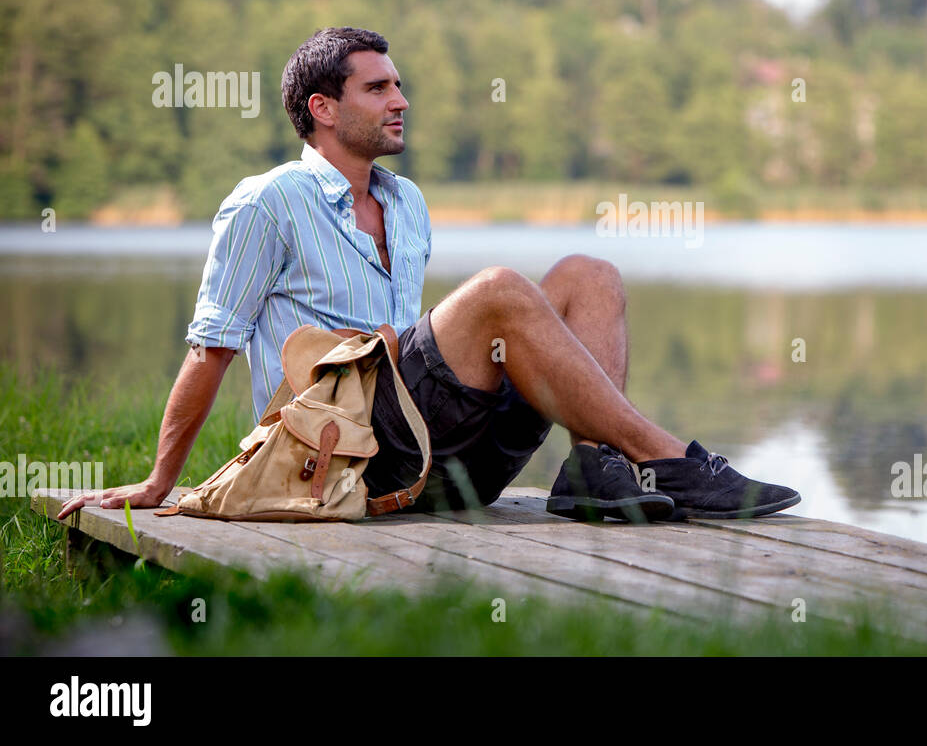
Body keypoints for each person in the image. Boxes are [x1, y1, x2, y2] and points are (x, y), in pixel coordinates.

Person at [58, 27, 799, 525]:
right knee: (501, 290)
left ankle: (594, 473)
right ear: (322, 108)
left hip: (444, 460)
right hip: (347, 462)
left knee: (590, 274)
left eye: (398, 85)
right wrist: (160, 484)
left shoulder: (405, 202)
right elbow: (210, 347)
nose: (401, 100)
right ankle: (669, 459)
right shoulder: (268, 203)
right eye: (378, 88)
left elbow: (429, 364)